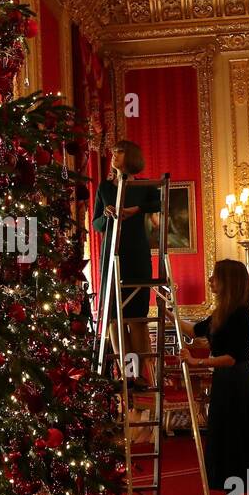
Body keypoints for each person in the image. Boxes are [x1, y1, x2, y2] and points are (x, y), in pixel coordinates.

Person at [167, 259, 249, 495]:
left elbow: (232, 358)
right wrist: (169, 314)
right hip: (225, 386)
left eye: (215, 277)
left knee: (248, 448)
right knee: (227, 448)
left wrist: (196, 362)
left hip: (240, 385)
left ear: (229, 282)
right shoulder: (222, 313)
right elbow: (195, 330)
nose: (210, 281)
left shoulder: (240, 315)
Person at [92, 140, 161, 391]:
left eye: (119, 152)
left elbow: (159, 204)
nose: (114, 156)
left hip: (137, 256)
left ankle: (143, 375)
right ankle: (127, 374)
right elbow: (96, 224)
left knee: (137, 319)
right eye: (112, 152)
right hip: (111, 255)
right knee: (114, 319)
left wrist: (136, 210)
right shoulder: (104, 187)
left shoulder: (144, 186)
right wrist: (106, 215)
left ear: (130, 156)